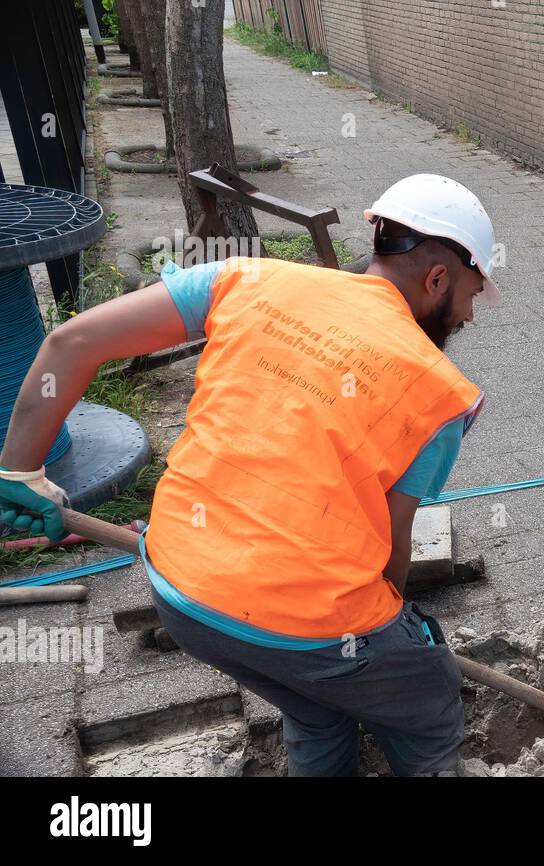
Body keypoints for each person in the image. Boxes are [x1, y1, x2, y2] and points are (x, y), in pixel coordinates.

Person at [0, 174, 499, 776]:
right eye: (472, 292)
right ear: (438, 278)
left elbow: (71, 341)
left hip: (183, 596)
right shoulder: (442, 395)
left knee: (317, 705)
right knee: (427, 703)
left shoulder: (244, 278)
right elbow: (391, 556)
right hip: (313, 625)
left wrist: (18, 470)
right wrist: (384, 640)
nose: (470, 313)